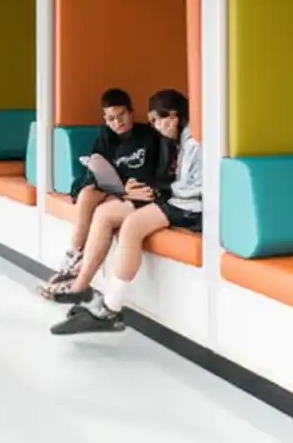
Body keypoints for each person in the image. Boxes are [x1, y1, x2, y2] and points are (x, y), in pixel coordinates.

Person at [50, 89, 201, 334]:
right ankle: (85, 291)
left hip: (189, 208)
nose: (159, 126)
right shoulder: (175, 138)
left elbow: (186, 187)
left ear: (175, 115)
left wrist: (153, 191)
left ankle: (108, 309)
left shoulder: (190, 140)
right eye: (153, 121)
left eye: (161, 119)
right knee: (104, 214)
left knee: (129, 226)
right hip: (174, 201)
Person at [36, 88, 172, 302]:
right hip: (119, 192)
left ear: (131, 112)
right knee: (88, 194)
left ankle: (79, 281)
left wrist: (133, 190)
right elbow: (94, 172)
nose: (117, 122)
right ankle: (74, 255)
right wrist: (119, 190)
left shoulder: (149, 135)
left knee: (102, 212)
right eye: (111, 118)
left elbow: (158, 173)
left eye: (121, 115)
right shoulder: (106, 137)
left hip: (141, 195)